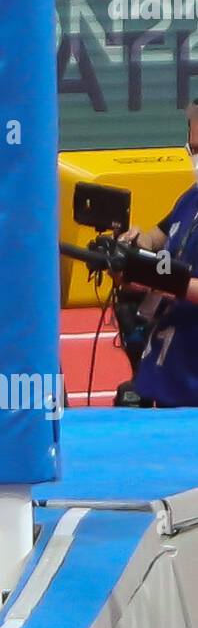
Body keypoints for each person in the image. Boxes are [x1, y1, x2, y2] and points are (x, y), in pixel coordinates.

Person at [127, 100, 198, 408]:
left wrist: (159, 278)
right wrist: (129, 244)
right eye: (193, 147)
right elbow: (155, 238)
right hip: (170, 375)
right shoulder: (191, 198)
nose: (194, 154)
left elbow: (168, 276)